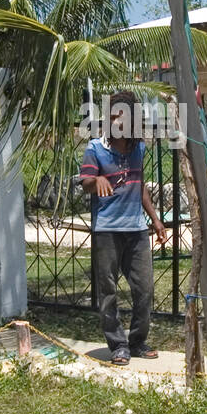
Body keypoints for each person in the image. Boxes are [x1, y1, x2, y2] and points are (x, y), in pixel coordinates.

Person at [79, 90, 168, 365]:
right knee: (107, 291)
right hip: (106, 230)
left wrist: (154, 219)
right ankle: (117, 344)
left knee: (145, 290)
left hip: (137, 230)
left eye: (123, 116)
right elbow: (85, 182)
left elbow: (140, 188)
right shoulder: (95, 148)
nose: (117, 120)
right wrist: (97, 182)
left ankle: (138, 341)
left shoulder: (139, 149)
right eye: (114, 115)